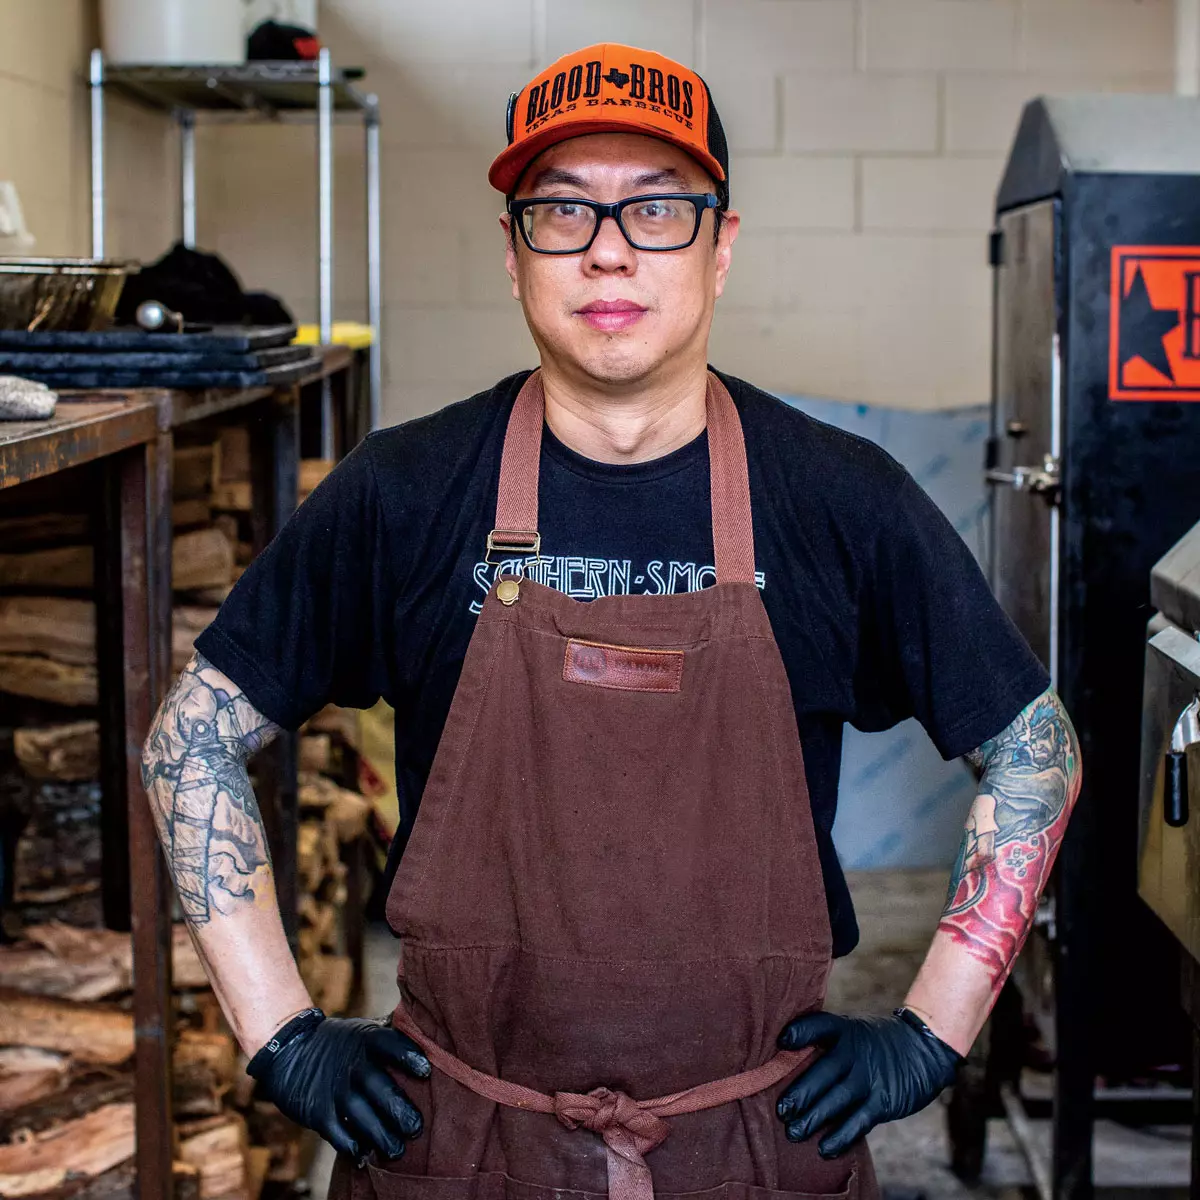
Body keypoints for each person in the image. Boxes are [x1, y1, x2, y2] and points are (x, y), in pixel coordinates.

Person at [142, 43, 1081, 1200]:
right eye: (562, 211)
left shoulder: (844, 501)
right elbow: (187, 739)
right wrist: (281, 1033)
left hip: (755, 1150)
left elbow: (1036, 748)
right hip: (457, 1152)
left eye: (660, 209)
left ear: (723, 248)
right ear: (514, 253)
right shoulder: (404, 492)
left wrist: (932, 1034)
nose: (609, 247)